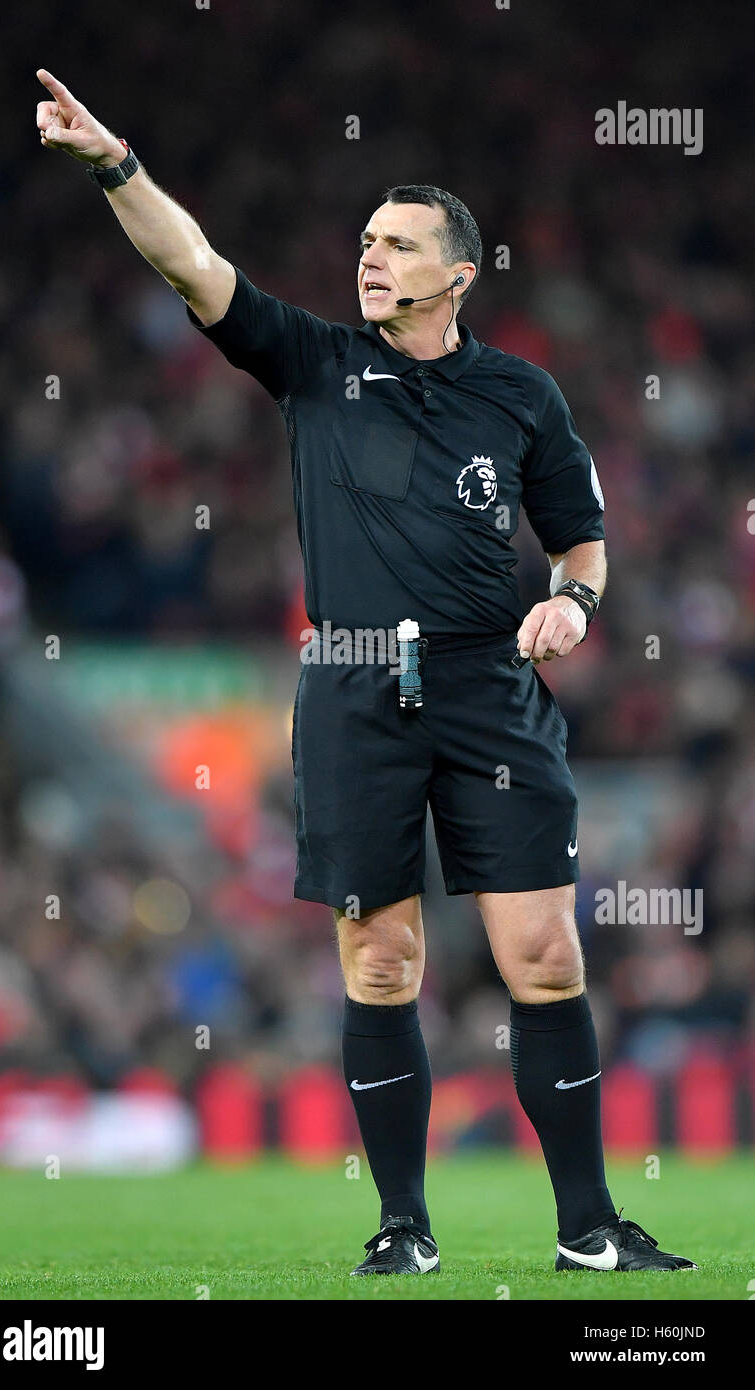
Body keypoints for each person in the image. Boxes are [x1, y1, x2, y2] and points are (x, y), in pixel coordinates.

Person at [35, 69, 696, 1275]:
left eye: (397, 245)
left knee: (543, 955)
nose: (370, 259)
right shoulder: (311, 362)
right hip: (352, 691)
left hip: (490, 689)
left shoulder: (521, 395)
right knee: (379, 960)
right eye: (363, 242)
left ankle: (590, 1229)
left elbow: (580, 541)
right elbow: (193, 266)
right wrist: (115, 166)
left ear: (459, 273)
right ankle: (403, 1224)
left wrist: (574, 601)